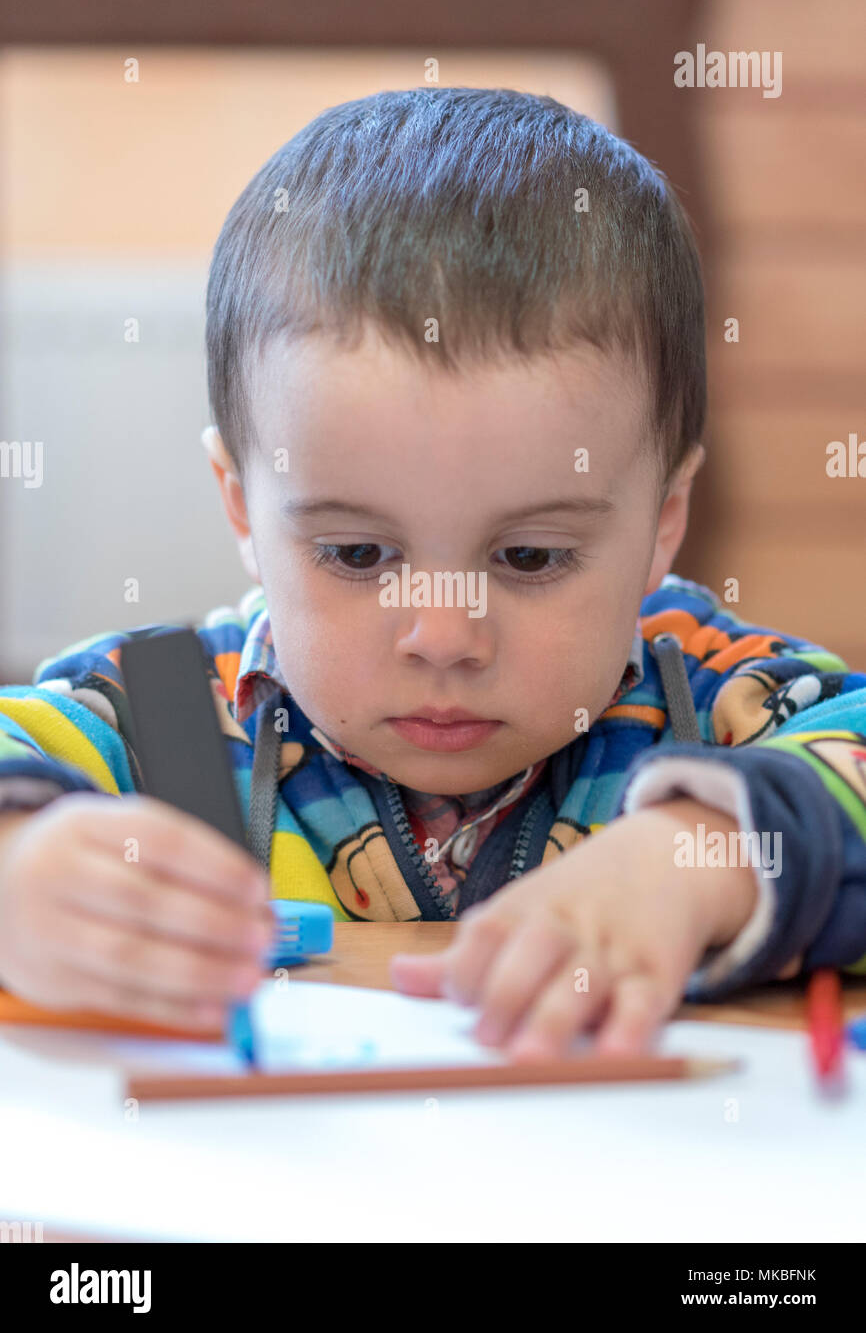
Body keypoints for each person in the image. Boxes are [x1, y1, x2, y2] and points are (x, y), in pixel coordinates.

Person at [1, 88, 864, 1059]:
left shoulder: (718, 694)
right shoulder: (158, 720)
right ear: (241, 505)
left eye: (529, 557)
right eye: (359, 555)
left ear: (662, 519)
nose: (444, 635)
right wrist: (18, 872)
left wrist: (695, 858)